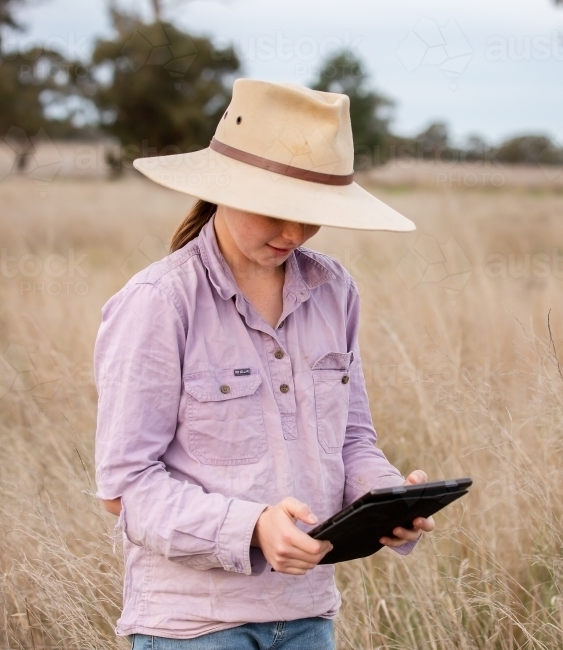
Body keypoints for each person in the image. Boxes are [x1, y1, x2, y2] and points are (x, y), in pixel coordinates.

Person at [93, 78, 435, 649]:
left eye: (312, 213)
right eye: (276, 209)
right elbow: (124, 488)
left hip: (308, 617)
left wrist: (388, 498)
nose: (294, 233)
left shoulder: (334, 291)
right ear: (223, 188)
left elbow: (351, 440)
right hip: (193, 628)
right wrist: (251, 527)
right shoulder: (159, 302)